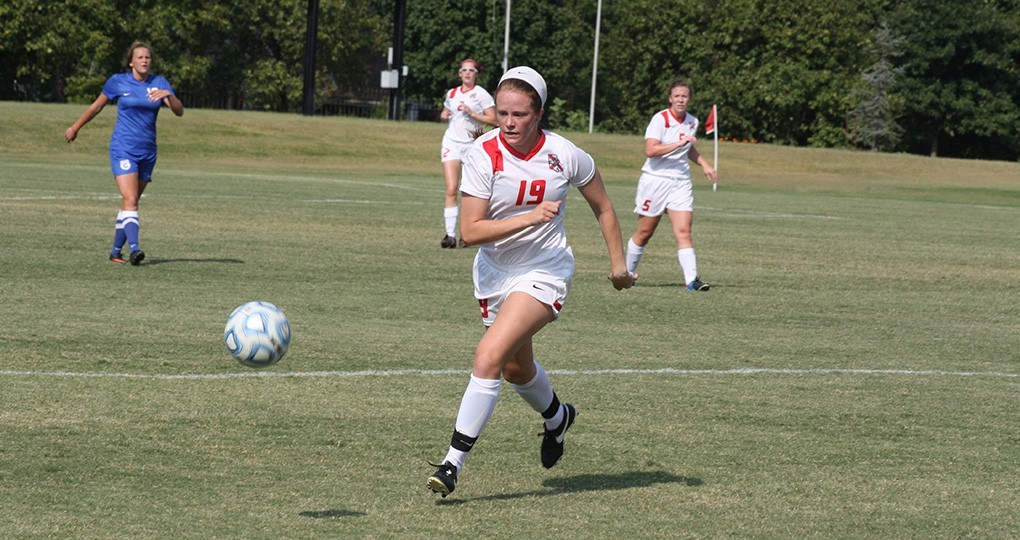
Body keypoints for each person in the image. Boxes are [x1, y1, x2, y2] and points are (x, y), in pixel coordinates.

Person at [426, 66, 636, 498]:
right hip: (495, 272)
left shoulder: (565, 153)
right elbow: (470, 232)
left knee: (488, 355)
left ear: (539, 113)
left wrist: (618, 266)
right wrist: (529, 217)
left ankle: (451, 464)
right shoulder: (482, 154)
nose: (508, 122)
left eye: (519, 114)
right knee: (516, 368)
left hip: (546, 269)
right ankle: (558, 416)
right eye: (502, 113)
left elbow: (603, 206)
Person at [65, 41, 184, 265]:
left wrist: (169, 95)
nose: (145, 60)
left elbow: (179, 111)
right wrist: (75, 127)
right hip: (123, 148)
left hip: (148, 151)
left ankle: (115, 251)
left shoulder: (159, 83)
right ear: (131, 62)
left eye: (148, 57)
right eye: (140, 57)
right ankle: (135, 249)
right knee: (130, 199)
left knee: (130, 202)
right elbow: (96, 107)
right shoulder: (118, 82)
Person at [625, 78, 717, 291]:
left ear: (689, 99)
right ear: (670, 98)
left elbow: (688, 150)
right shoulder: (660, 119)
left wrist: (705, 164)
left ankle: (692, 281)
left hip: (680, 182)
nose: (680, 100)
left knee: (684, 231)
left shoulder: (692, 122)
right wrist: (678, 142)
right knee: (644, 232)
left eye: (684, 96)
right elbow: (651, 150)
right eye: (677, 96)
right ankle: (626, 274)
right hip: (655, 180)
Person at [437, 58, 497, 248]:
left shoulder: (482, 94)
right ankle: (450, 236)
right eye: (464, 70)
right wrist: (444, 114)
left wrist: (474, 115)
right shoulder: (452, 93)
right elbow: (445, 111)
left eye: (472, 70)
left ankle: (472, 234)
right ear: (459, 73)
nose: (468, 73)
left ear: (476, 74)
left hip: (473, 145)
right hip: (452, 143)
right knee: (451, 189)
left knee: (474, 191)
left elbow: (494, 120)